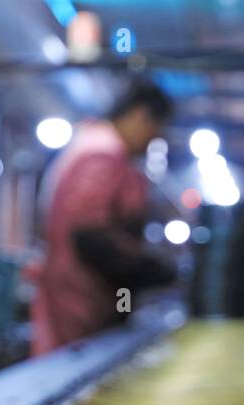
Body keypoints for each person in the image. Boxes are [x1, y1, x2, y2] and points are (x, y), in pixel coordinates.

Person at [29, 78, 177, 356]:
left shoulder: (94, 146)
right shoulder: (102, 155)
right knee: (74, 372)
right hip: (80, 304)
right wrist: (144, 267)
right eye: (156, 129)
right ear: (140, 115)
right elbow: (90, 233)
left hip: (82, 300)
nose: (155, 139)